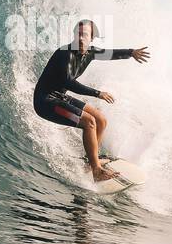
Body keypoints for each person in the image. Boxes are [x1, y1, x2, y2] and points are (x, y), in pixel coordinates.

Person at [32, 19, 150, 182]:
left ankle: (90, 162)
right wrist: (97, 93)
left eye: (85, 35)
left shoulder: (91, 52)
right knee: (89, 122)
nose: (81, 38)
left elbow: (111, 54)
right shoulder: (64, 53)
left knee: (101, 120)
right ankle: (96, 170)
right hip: (46, 102)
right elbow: (68, 82)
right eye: (78, 34)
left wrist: (131, 52)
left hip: (59, 96)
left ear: (91, 39)